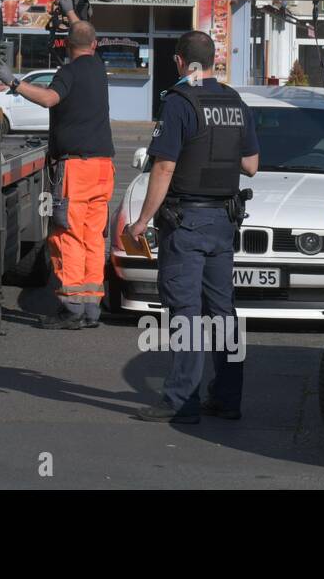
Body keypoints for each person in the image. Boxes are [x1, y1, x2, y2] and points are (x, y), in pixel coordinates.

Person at [127, 30, 259, 424]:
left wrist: (142, 220)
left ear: (181, 61)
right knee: (222, 310)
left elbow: (164, 167)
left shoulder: (180, 101)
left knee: (185, 311)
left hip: (186, 222)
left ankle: (182, 402)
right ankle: (228, 398)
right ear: (214, 60)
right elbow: (251, 165)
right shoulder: (235, 102)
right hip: (224, 221)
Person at [0, 0, 115, 330]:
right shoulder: (98, 67)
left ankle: (71, 308)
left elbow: (49, 99)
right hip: (103, 168)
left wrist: (14, 82)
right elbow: (84, 34)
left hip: (76, 169)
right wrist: (71, 12)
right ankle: (91, 307)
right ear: (94, 45)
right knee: (93, 237)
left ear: (67, 45)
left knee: (67, 235)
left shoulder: (69, 72)